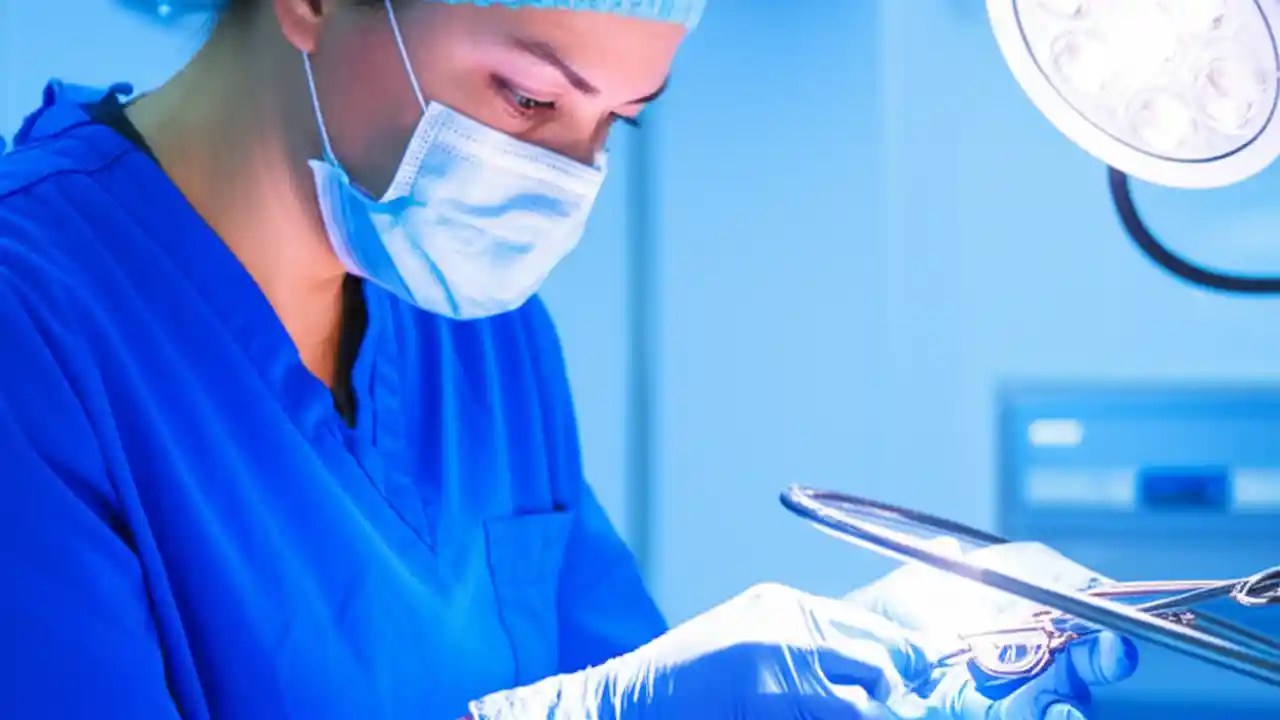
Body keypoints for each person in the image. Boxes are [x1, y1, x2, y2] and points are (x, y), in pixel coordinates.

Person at [0, 1, 1136, 717]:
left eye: (617, 121)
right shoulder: (34, 325)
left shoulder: (481, 335)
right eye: (530, 95)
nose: (560, 174)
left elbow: (611, 673)